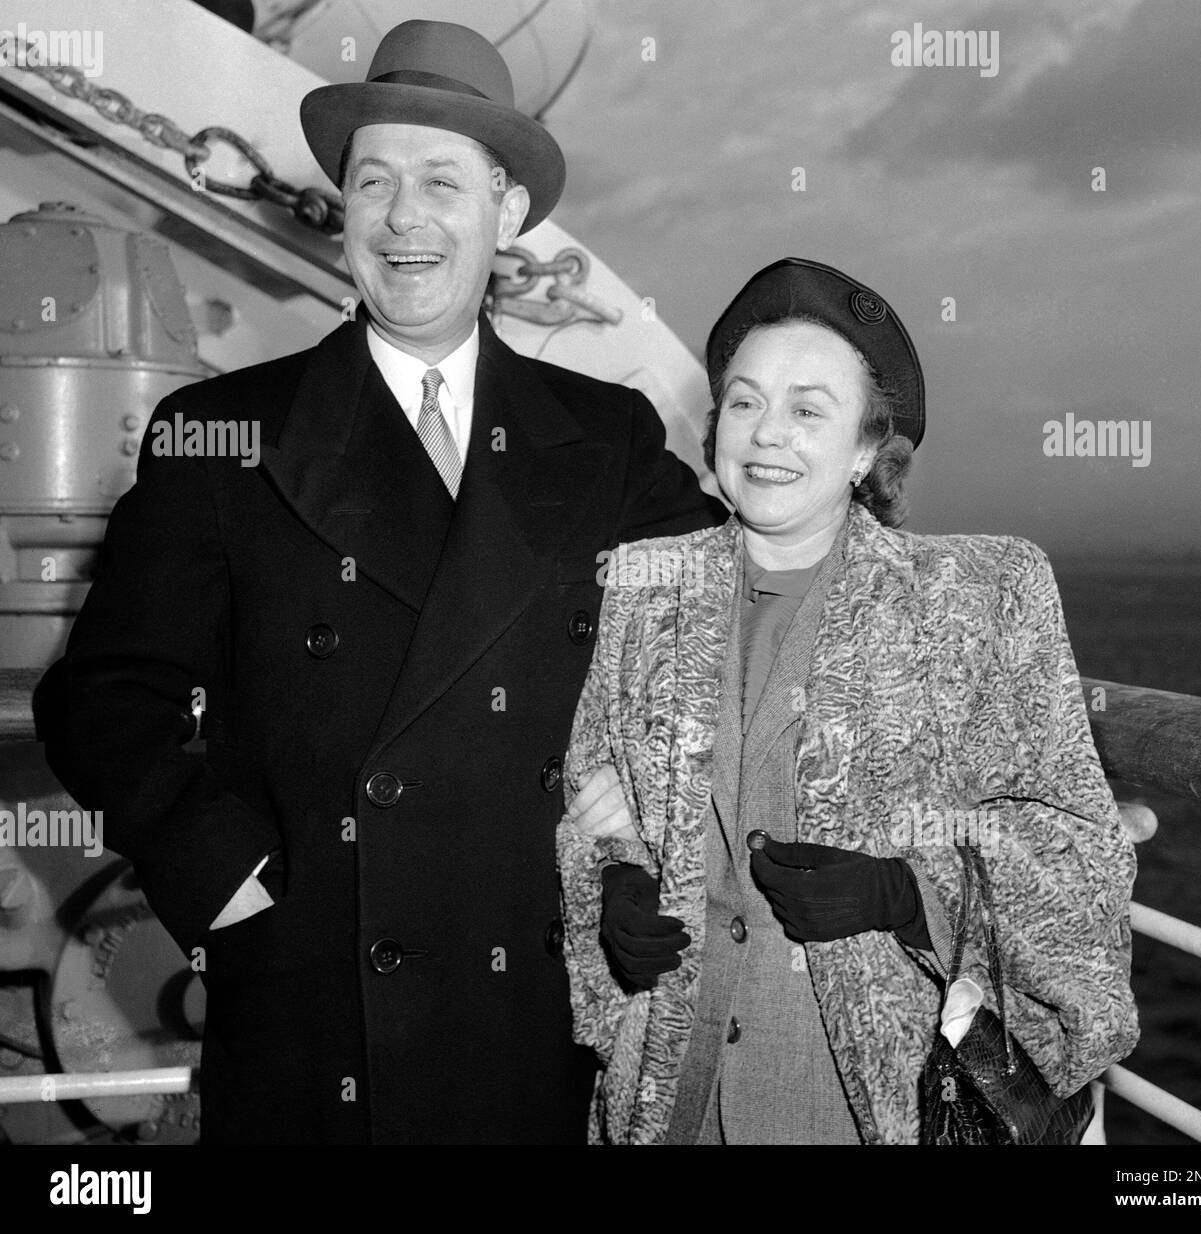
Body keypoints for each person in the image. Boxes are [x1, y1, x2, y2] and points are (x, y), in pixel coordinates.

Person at [36, 20, 724, 1144]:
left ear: (506, 215)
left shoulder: (605, 439)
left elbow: (726, 618)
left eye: (442, 182)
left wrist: (638, 802)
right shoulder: (220, 434)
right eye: (375, 183)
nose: (405, 219)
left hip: (529, 1014)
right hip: (312, 1015)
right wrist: (229, 879)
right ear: (342, 208)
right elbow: (102, 700)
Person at [558, 258, 1140, 1144]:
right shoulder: (642, 587)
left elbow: (1076, 845)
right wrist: (611, 890)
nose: (766, 436)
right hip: (673, 1098)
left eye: (806, 410)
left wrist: (910, 892)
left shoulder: (983, 592)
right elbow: (593, 811)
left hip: (873, 1103)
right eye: (746, 403)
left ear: (868, 448)